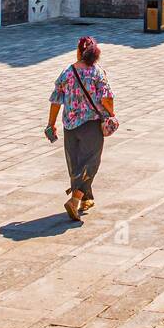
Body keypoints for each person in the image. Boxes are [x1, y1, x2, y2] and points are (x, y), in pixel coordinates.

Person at [46, 36, 117, 222]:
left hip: (69, 126)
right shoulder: (97, 73)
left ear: (78, 51)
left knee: (76, 164)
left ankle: (86, 198)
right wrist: (111, 113)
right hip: (91, 125)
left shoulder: (67, 72)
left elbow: (56, 100)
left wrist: (50, 124)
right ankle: (75, 200)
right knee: (90, 162)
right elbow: (107, 98)